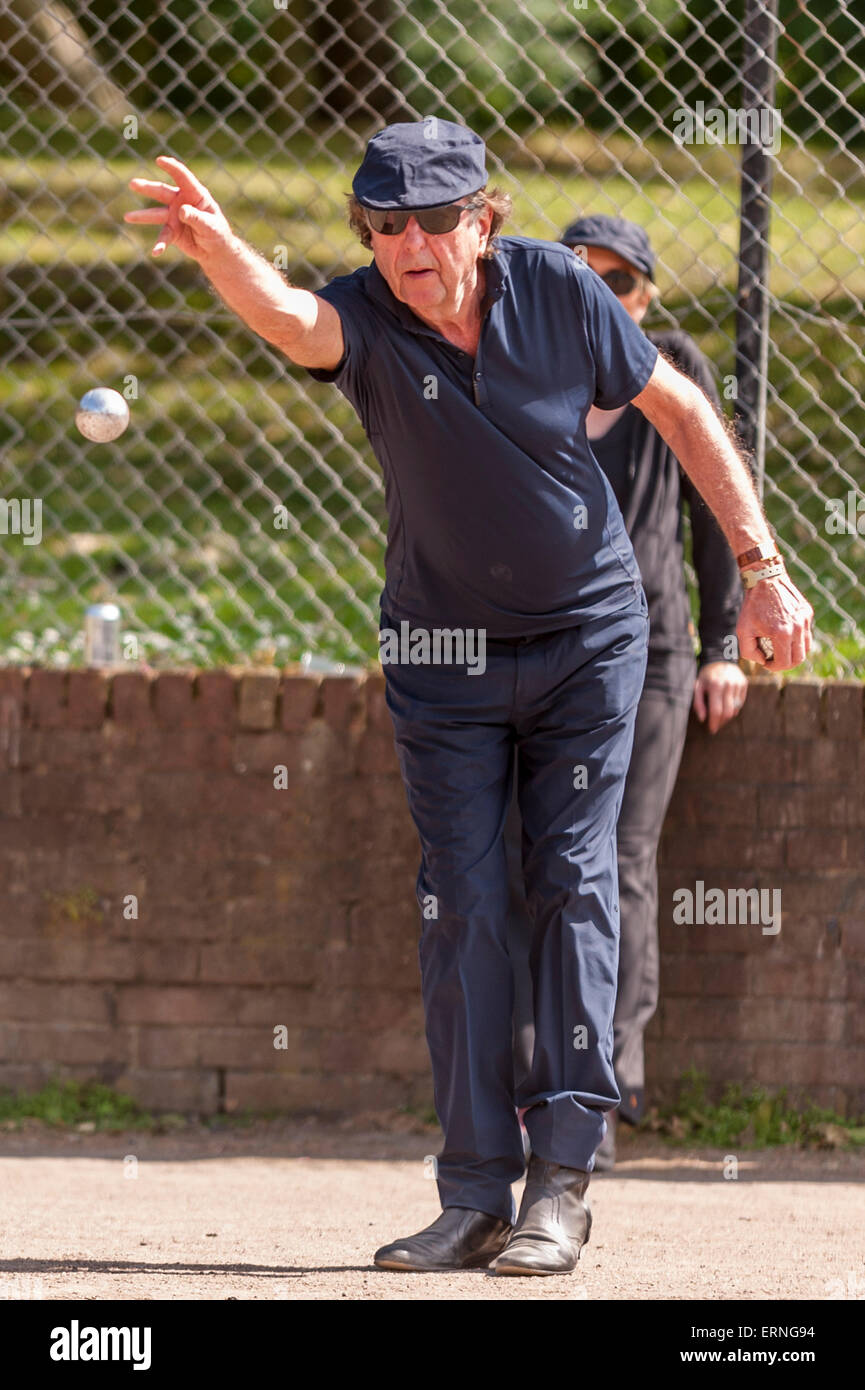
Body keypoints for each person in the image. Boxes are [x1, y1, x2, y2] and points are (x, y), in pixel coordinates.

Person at [125, 123, 812, 1277]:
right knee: (463, 901)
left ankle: (563, 1180)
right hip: (443, 654)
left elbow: (684, 412)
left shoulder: (558, 290)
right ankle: (474, 1192)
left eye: (434, 220)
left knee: (573, 879)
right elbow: (291, 321)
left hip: (590, 638)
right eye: (385, 225)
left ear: (481, 220)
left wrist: (760, 569)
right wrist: (219, 250)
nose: (410, 245)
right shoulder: (369, 319)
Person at [505, 215, 749, 1173]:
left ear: (644, 296)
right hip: (536, 649)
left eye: (622, 280)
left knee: (619, 854)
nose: (602, 292)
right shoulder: (524, 367)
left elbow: (712, 505)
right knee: (539, 859)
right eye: (581, 274)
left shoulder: (663, 363)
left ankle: (610, 1073)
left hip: (649, 652)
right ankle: (538, 1079)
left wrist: (724, 645)